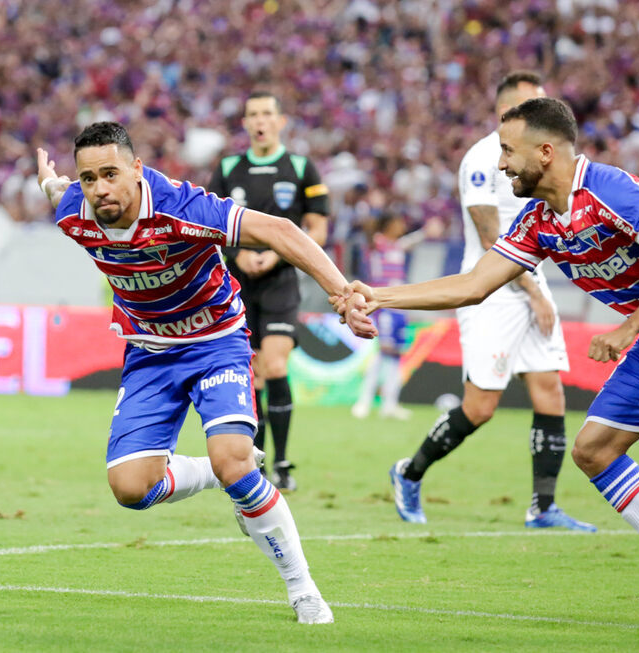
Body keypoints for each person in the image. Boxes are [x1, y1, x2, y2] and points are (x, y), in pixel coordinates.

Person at [334, 97, 639, 638]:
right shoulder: (539, 221)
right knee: (592, 450)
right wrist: (379, 295)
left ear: (545, 152)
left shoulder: (610, 190)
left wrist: (627, 327)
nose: (501, 163)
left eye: (508, 151)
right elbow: (473, 285)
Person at [37, 121, 375, 625]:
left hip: (216, 341)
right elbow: (58, 192)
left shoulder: (182, 207)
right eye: (88, 179)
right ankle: (214, 473)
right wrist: (52, 183)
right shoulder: (73, 212)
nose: (100, 188)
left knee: (236, 461)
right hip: (149, 351)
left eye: (111, 173)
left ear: (137, 169)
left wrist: (341, 293)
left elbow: (281, 231)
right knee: (130, 488)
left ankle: (302, 588)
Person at [388, 73, 595, 533]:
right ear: (507, 110)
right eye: (532, 103)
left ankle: (543, 507)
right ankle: (409, 472)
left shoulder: (537, 158)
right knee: (480, 406)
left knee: (549, 390)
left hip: (529, 283)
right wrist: (535, 292)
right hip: (492, 291)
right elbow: (489, 239)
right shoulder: (482, 159)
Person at [207, 92, 330, 491]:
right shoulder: (228, 168)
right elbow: (209, 225)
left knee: (275, 366)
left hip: (281, 282)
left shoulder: (301, 167)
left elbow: (318, 229)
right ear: (245, 123)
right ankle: (256, 465)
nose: (260, 121)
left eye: (266, 114)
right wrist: (237, 254)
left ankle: (283, 462)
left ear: (281, 121)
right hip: (237, 284)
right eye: (253, 114)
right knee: (253, 375)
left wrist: (278, 253)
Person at [351, 212, 442, 420]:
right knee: (383, 352)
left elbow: (409, 241)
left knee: (396, 355)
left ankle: (390, 404)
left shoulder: (396, 246)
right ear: (388, 225)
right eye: (398, 223)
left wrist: (426, 232)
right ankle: (364, 401)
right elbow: (369, 232)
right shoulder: (377, 243)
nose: (402, 226)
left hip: (399, 306)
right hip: (383, 305)